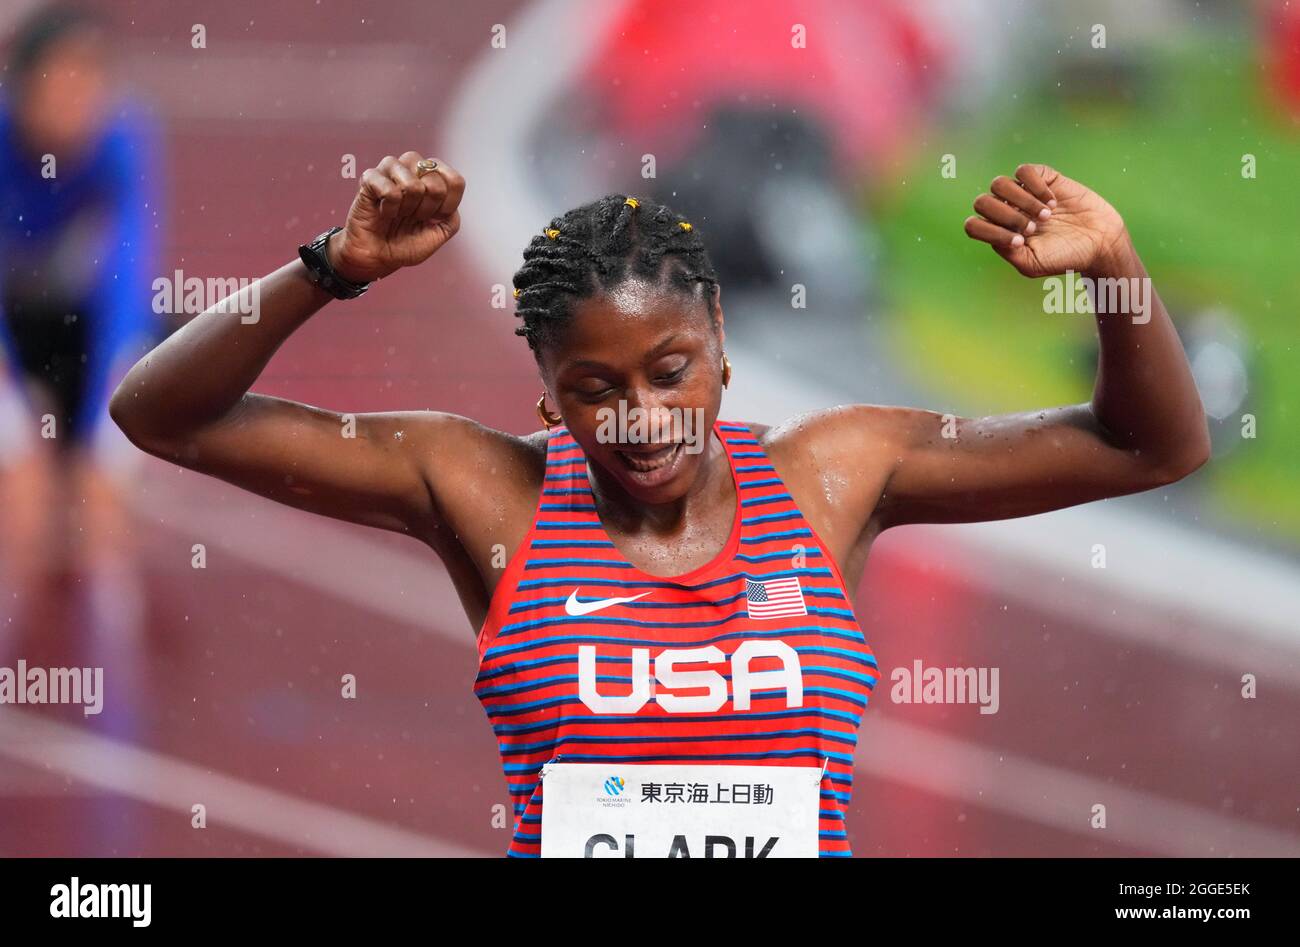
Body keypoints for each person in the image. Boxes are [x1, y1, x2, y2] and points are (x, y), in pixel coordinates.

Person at [109, 153, 1210, 857]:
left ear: (721, 344)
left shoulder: (834, 474)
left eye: (670, 368)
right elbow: (163, 415)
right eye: (594, 388)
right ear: (545, 388)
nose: (641, 415)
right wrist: (330, 266)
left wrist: (1111, 266)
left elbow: (1149, 446)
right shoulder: (482, 486)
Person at [0, 3, 163, 603]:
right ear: (19, 88)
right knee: (18, 500)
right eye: (61, 85)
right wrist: (13, 438)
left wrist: (106, 442)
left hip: (71, 329)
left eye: (91, 84)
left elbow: (128, 288)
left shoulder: (123, 139)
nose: (78, 103)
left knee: (178, 351)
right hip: (11, 328)